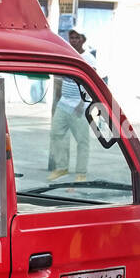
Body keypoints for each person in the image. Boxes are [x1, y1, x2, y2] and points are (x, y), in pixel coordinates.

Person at [48, 28, 103, 182]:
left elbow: (93, 84)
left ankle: (81, 173)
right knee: (57, 135)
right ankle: (62, 168)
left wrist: (82, 104)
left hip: (79, 107)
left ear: (83, 40)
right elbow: (60, 79)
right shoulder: (67, 54)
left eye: (76, 37)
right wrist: (57, 102)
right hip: (63, 104)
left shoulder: (89, 59)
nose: (73, 40)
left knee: (82, 141)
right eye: (71, 37)